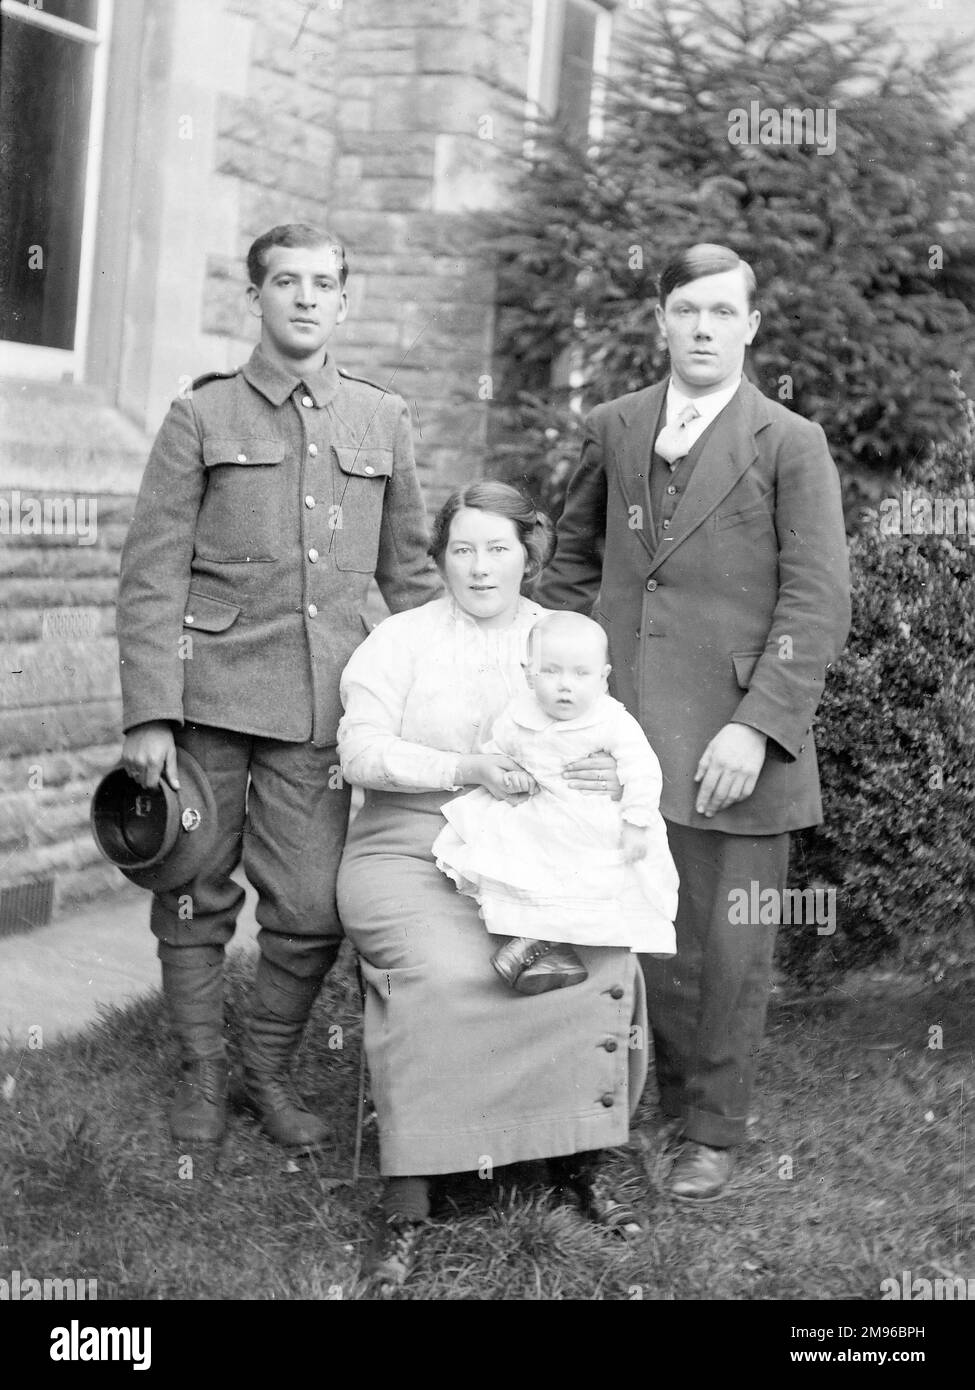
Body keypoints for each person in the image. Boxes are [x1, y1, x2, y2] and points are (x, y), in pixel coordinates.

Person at [535, 243, 851, 1201]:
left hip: (733, 744)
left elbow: (816, 598)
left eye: (723, 312)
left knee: (722, 946)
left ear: (751, 327)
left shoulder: (790, 443)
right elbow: (567, 570)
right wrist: (566, 692)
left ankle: (708, 1128)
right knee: (617, 927)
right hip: (618, 731)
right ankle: (600, 1108)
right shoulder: (615, 426)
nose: (704, 329)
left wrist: (757, 726)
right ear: (660, 320)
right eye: (687, 311)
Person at [115, 222, 441, 1149]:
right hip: (205, 695)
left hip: (324, 704)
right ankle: (203, 1072)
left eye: (323, 283)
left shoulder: (383, 418)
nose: (305, 297)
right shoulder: (201, 416)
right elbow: (151, 573)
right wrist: (149, 713)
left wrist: (447, 686)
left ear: (347, 300)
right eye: (285, 281)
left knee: (308, 905)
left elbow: (410, 576)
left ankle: (264, 1065)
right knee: (191, 885)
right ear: (252, 297)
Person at [336, 481, 649, 1289]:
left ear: (528, 554)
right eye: (462, 549)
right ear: (439, 557)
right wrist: (463, 767)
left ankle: (574, 1157)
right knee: (448, 973)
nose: (479, 568)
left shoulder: (559, 636)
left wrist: (599, 770)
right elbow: (362, 752)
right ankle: (409, 1201)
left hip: (532, 849)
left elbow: (608, 732)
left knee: (601, 961)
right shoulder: (399, 640)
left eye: (498, 548)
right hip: (406, 847)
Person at [432, 611, 678, 994]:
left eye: (581, 674)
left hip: (593, 818)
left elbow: (643, 771)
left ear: (603, 676)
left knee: (586, 873)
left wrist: (635, 822)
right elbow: (499, 754)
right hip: (540, 811)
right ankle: (540, 948)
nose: (566, 686)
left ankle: (538, 947)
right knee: (517, 857)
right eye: (551, 672)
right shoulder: (518, 714)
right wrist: (513, 775)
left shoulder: (611, 720)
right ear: (528, 672)